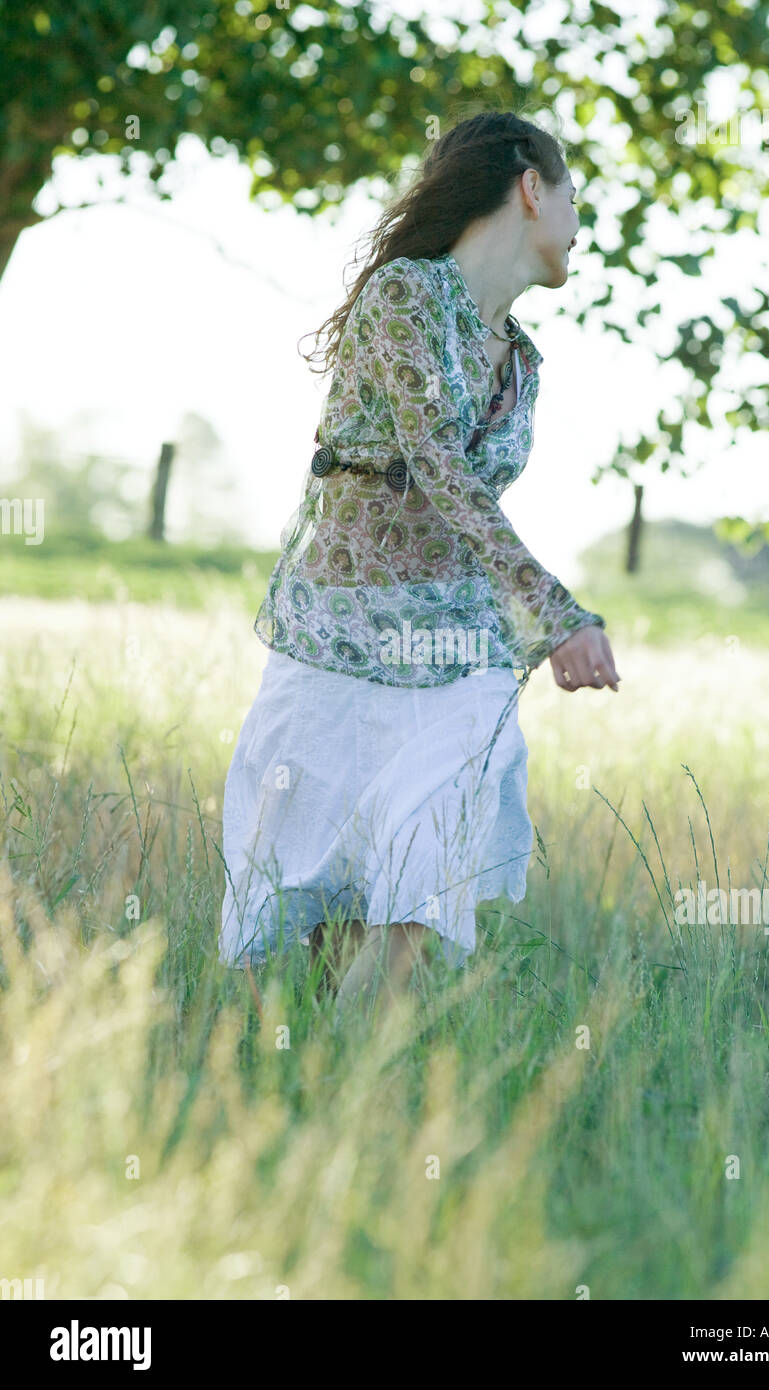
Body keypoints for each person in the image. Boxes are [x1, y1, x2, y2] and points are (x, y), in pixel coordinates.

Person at [218, 110, 621, 1022]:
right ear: (531, 186)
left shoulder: (522, 362)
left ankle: (346, 1083)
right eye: (573, 201)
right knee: (321, 880)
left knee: (423, 865)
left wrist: (533, 617)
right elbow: (436, 462)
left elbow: (464, 492)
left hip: (460, 648)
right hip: (342, 629)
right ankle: (293, 1073)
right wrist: (558, 612)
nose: (578, 228)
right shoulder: (407, 295)